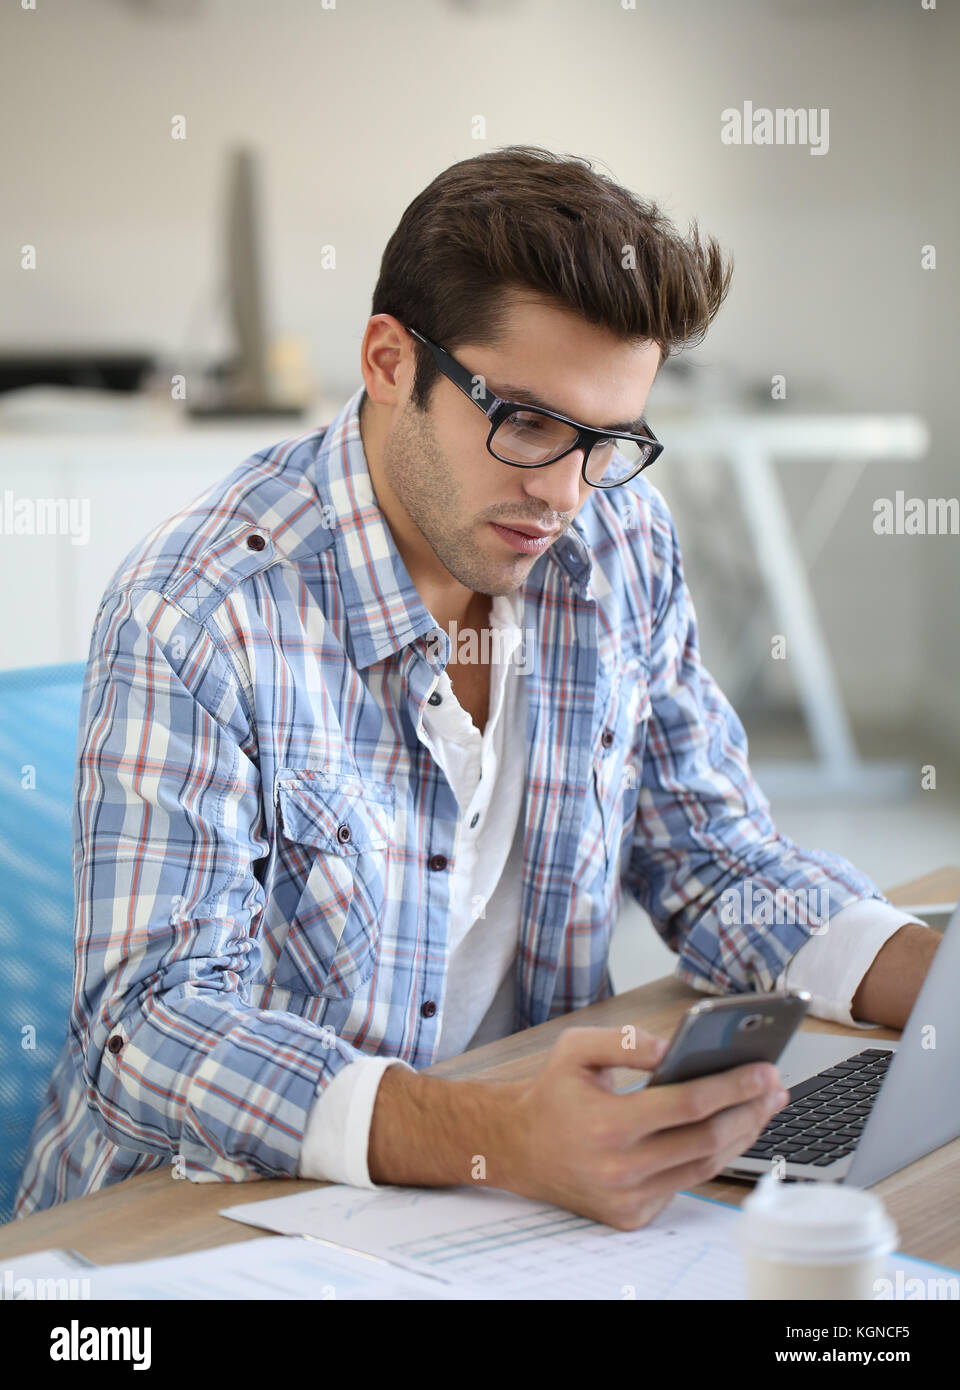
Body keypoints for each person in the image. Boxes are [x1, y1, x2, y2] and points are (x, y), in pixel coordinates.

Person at [15, 146, 938, 1229]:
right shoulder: (200, 611)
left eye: (607, 440)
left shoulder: (619, 542)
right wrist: (493, 1140)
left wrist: (937, 984)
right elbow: (153, 1026)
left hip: (500, 1212)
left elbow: (713, 855)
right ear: (389, 361)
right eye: (529, 422)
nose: (561, 492)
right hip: (195, 1218)